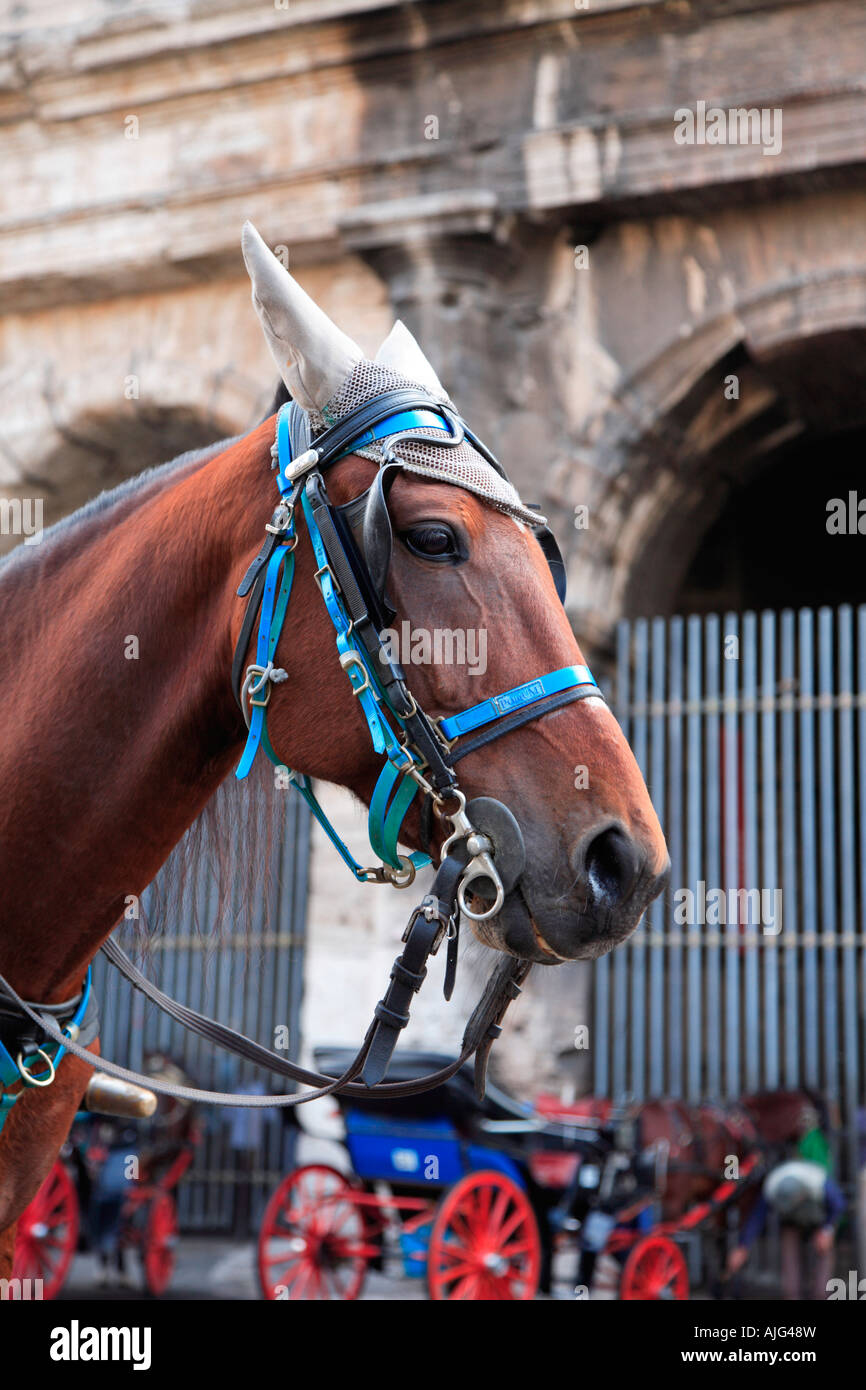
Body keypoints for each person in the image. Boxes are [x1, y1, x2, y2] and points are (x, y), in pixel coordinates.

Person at [726, 1158, 846, 1299]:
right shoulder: (772, 1187)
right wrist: (743, 1247)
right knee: (789, 1252)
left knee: (824, 1249)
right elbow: (757, 1218)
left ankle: (822, 1294)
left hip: (819, 1215)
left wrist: (827, 1230)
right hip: (790, 1221)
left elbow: (838, 1205)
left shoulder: (818, 1182)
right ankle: (791, 1294)